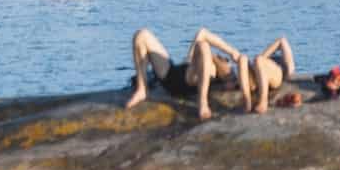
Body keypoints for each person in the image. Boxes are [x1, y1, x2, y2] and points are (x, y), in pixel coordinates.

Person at [124, 25, 298, 119]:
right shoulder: (197, 56)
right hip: (171, 73)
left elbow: (205, 46)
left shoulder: (221, 72)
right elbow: (203, 32)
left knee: (204, 47)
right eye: (223, 58)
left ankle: (203, 103)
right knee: (141, 35)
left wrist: (223, 61)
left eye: (226, 60)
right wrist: (232, 52)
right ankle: (142, 88)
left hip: (189, 80)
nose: (224, 60)